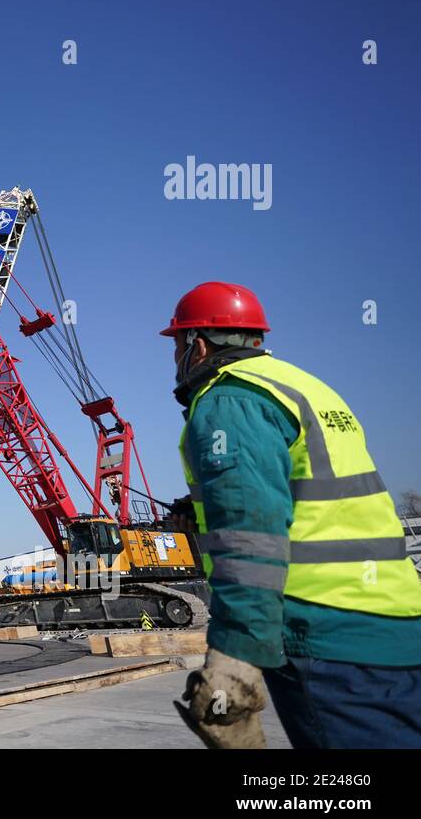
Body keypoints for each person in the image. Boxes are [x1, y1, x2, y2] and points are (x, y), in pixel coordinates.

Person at [163, 281, 421, 748]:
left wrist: (235, 660)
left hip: (322, 633)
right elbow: (307, 501)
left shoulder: (228, 399)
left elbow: (250, 535)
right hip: (396, 619)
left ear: (197, 345)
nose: (175, 356)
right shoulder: (306, 387)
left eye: (176, 344)